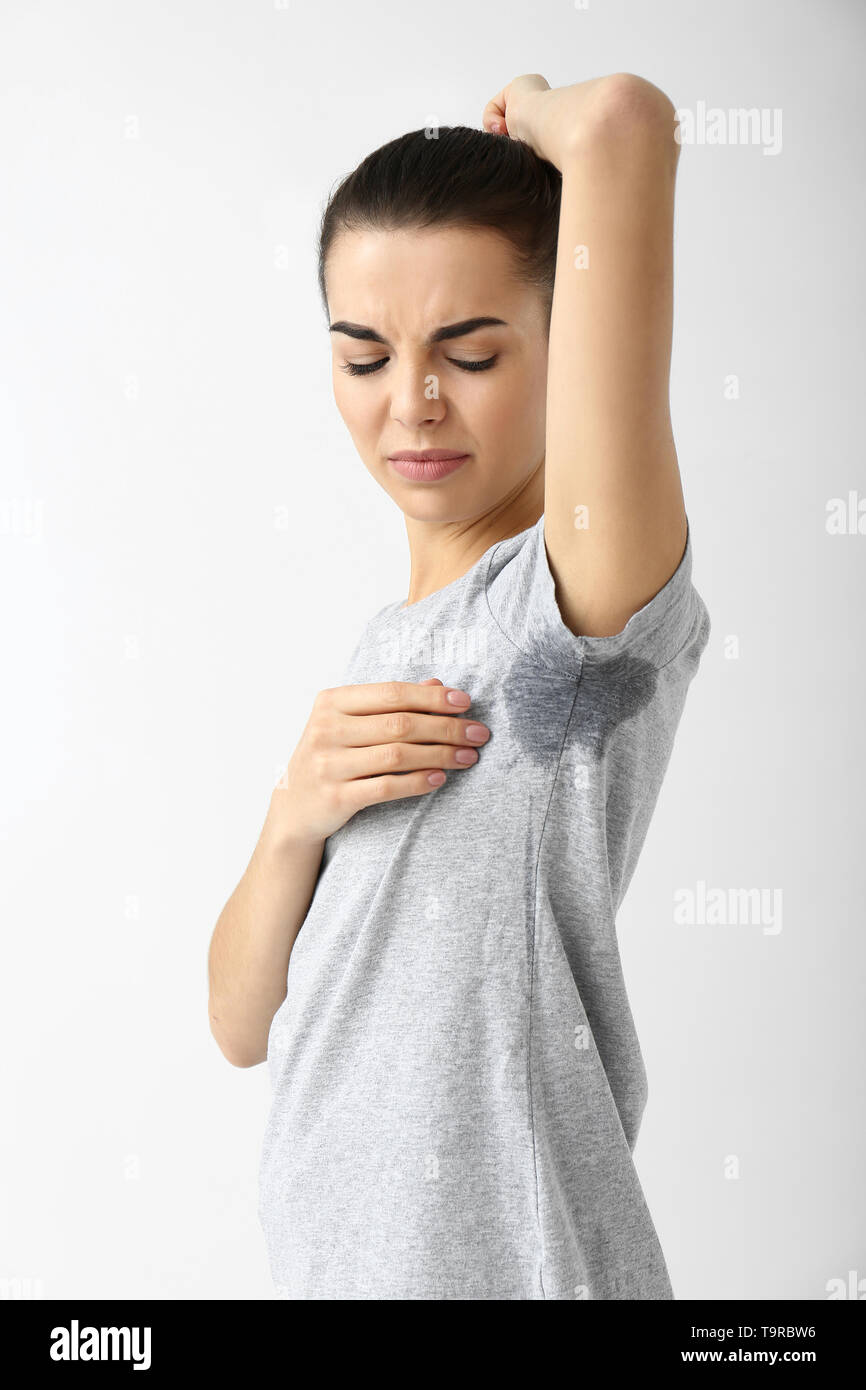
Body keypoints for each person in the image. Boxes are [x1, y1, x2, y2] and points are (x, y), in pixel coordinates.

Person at [208, 72, 711, 1300]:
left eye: (470, 351)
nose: (411, 402)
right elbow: (239, 1025)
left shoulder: (567, 611)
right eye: (364, 355)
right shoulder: (382, 646)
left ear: (560, 337)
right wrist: (292, 824)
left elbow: (625, 129)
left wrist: (541, 113)